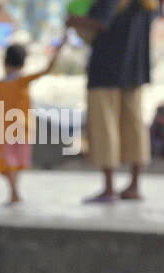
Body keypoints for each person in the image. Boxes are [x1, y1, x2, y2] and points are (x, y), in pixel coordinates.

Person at [68, 0, 160, 202]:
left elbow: (102, 21)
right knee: (134, 127)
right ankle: (134, 186)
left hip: (105, 70)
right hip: (135, 68)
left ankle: (109, 188)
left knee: (104, 128)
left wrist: (73, 20)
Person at [0, 39, 65, 203]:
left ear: (4, 62)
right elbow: (47, 69)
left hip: (4, 131)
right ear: (23, 63)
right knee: (17, 162)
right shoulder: (23, 82)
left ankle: (14, 192)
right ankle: (14, 191)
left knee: (8, 163)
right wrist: (57, 52)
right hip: (24, 129)